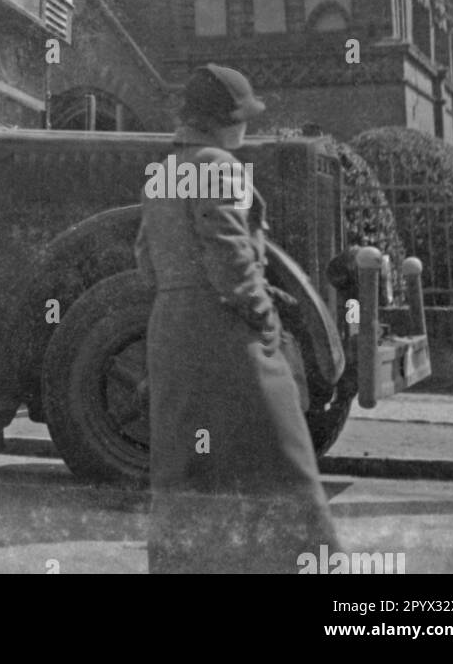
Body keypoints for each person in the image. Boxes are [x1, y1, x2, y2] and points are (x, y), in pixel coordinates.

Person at [134, 62, 341, 574]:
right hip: (225, 331)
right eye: (243, 116)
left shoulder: (165, 170)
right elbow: (229, 255)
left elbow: (144, 258)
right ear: (225, 119)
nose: (247, 126)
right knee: (282, 458)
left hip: (172, 329)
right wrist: (264, 316)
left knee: (187, 466)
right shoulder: (218, 165)